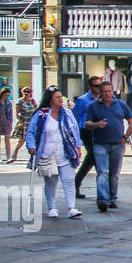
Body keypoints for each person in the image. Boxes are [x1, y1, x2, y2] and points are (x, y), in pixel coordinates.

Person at [25, 86, 84, 219]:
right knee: (51, 182)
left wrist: (78, 146)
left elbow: (75, 130)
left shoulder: (67, 113)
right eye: (57, 97)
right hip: (48, 154)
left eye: (60, 96)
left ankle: (71, 207)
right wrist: (31, 146)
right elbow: (31, 131)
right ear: (50, 100)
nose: (60, 99)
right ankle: (52, 207)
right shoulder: (41, 114)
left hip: (66, 152)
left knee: (69, 180)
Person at [83, 81, 132, 213]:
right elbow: (87, 123)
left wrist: (125, 137)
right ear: (100, 92)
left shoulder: (121, 105)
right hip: (100, 143)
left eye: (109, 91)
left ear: (113, 91)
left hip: (118, 144)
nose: (107, 94)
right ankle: (103, 199)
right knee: (102, 171)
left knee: (114, 174)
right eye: (104, 91)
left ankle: (112, 197)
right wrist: (97, 125)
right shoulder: (93, 106)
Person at [10, 86, 36, 164]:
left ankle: (33, 156)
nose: (26, 93)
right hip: (24, 122)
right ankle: (15, 154)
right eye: (25, 91)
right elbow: (17, 113)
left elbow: (36, 109)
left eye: (28, 91)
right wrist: (19, 121)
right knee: (22, 140)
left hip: (32, 122)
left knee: (33, 139)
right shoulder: (20, 102)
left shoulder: (32, 101)